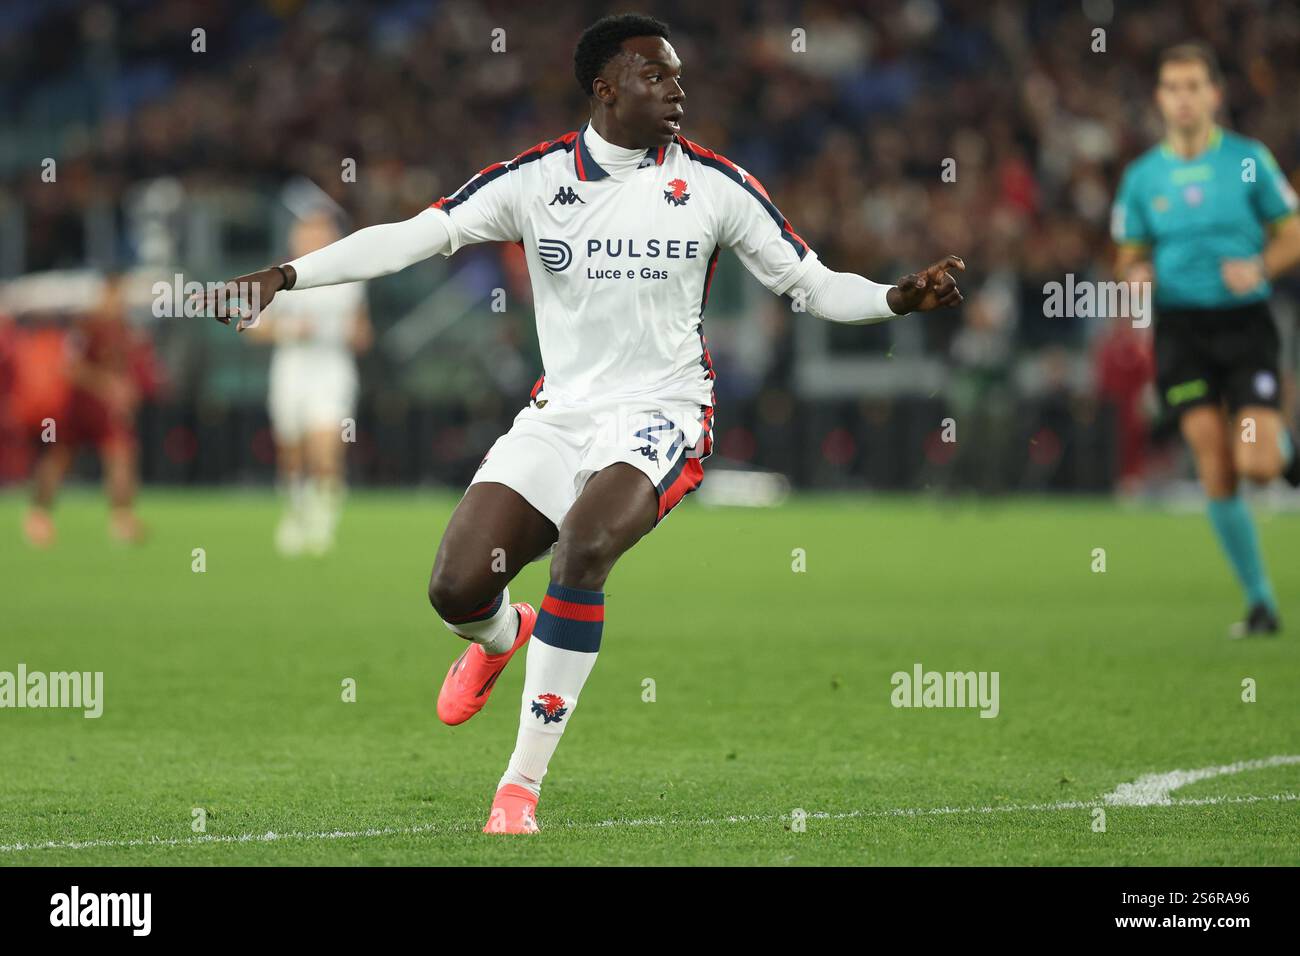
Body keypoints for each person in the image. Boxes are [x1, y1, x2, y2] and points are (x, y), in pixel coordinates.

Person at [199, 14, 964, 832]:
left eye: (678, 76)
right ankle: (504, 637)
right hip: (561, 413)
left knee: (584, 547)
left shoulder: (716, 186)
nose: (677, 90)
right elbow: (414, 237)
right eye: (656, 75)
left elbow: (810, 284)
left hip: (664, 413)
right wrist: (285, 275)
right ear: (605, 89)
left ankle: (518, 788)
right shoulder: (534, 180)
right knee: (456, 588)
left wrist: (893, 298)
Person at [1112, 42, 1300, 637]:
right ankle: (1261, 604)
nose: (1184, 98)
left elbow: (1292, 233)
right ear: (1159, 98)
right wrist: (1136, 275)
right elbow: (1128, 255)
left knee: (1258, 465)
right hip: (1181, 332)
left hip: (1243, 326)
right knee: (1215, 467)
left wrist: (1261, 267)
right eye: (1173, 87)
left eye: (1194, 86)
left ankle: (1285, 452)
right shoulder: (1143, 177)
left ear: (1215, 94)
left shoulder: (1248, 160)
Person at [247, 212, 372, 555]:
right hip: (291, 371)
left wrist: (351, 334)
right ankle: (294, 514)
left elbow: (363, 333)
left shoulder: (349, 279)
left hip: (332, 371)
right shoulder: (277, 277)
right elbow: (253, 327)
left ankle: (323, 521)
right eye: (306, 233)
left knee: (326, 448)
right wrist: (291, 329)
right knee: (292, 452)